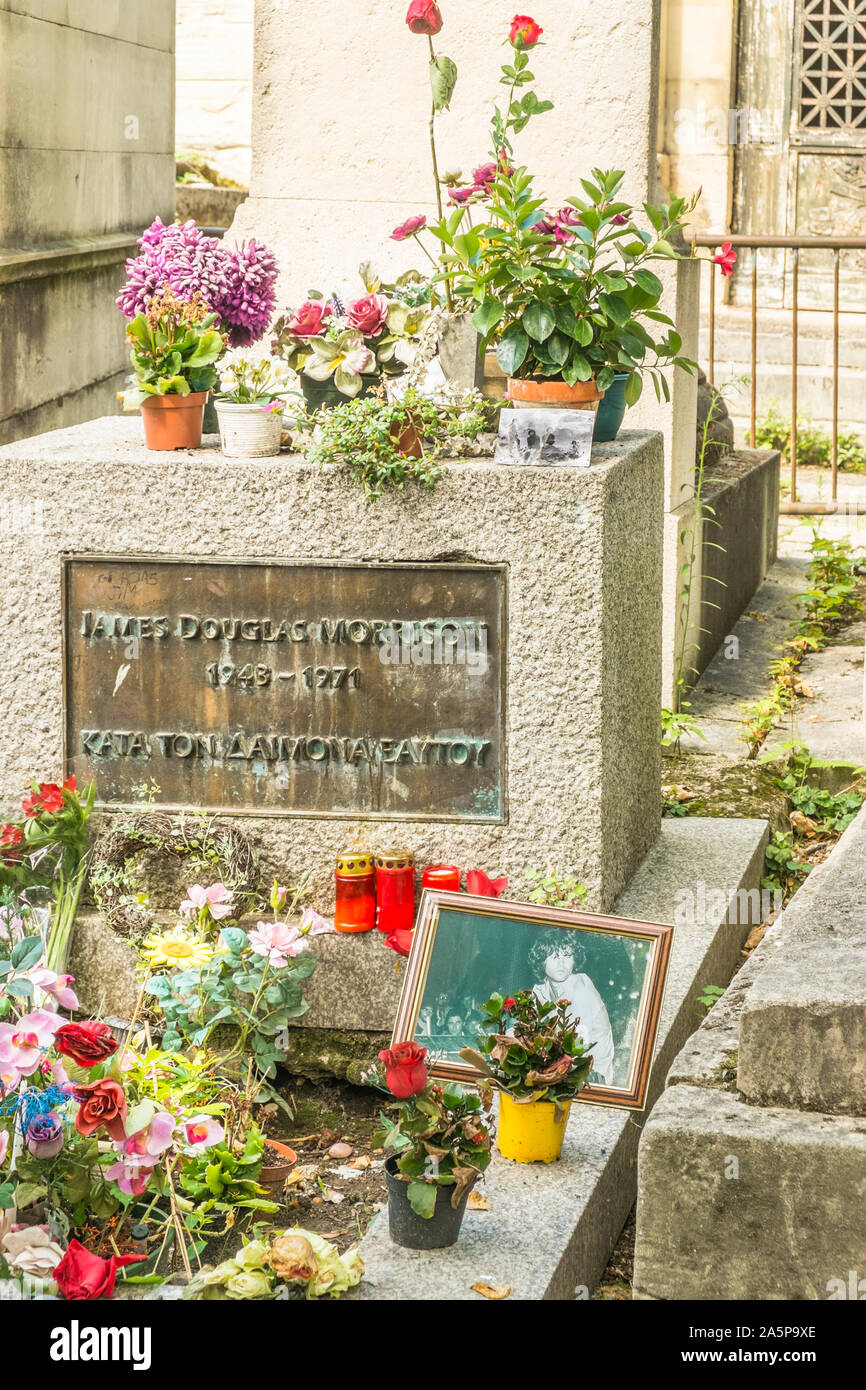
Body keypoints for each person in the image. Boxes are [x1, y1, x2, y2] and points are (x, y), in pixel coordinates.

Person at [528, 934, 616, 1085]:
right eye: (554, 956)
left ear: (575, 960)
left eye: (567, 956)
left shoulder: (582, 988)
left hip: (591, 1075)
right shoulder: (541, 990)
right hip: (560, 1070)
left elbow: (578, 1045)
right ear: (542, 960)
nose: (561, 963)